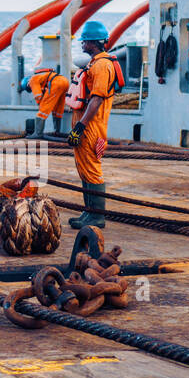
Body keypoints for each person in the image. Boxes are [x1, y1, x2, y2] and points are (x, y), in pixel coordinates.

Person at [66, 19, 124, 228]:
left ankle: (97, 217)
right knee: (83, 168)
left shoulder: (101, 66)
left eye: (85, 42)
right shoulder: (94, 63)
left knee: (92, 168)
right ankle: (89, 212)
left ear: (94, 43)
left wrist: (80, 126)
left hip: (92, 127)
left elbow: (97, 99)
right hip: (85, 124)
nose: (82, 45)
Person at [20, 65, 69, 136]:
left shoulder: (32, 80)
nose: (31, 89)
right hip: (65, 81)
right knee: (58, 109)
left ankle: (37, 133)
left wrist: (40, 103)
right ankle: (57, 132)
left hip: (56, 83)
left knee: (42, 112)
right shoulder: (40, 78)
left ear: (27, 85)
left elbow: (38, 96)